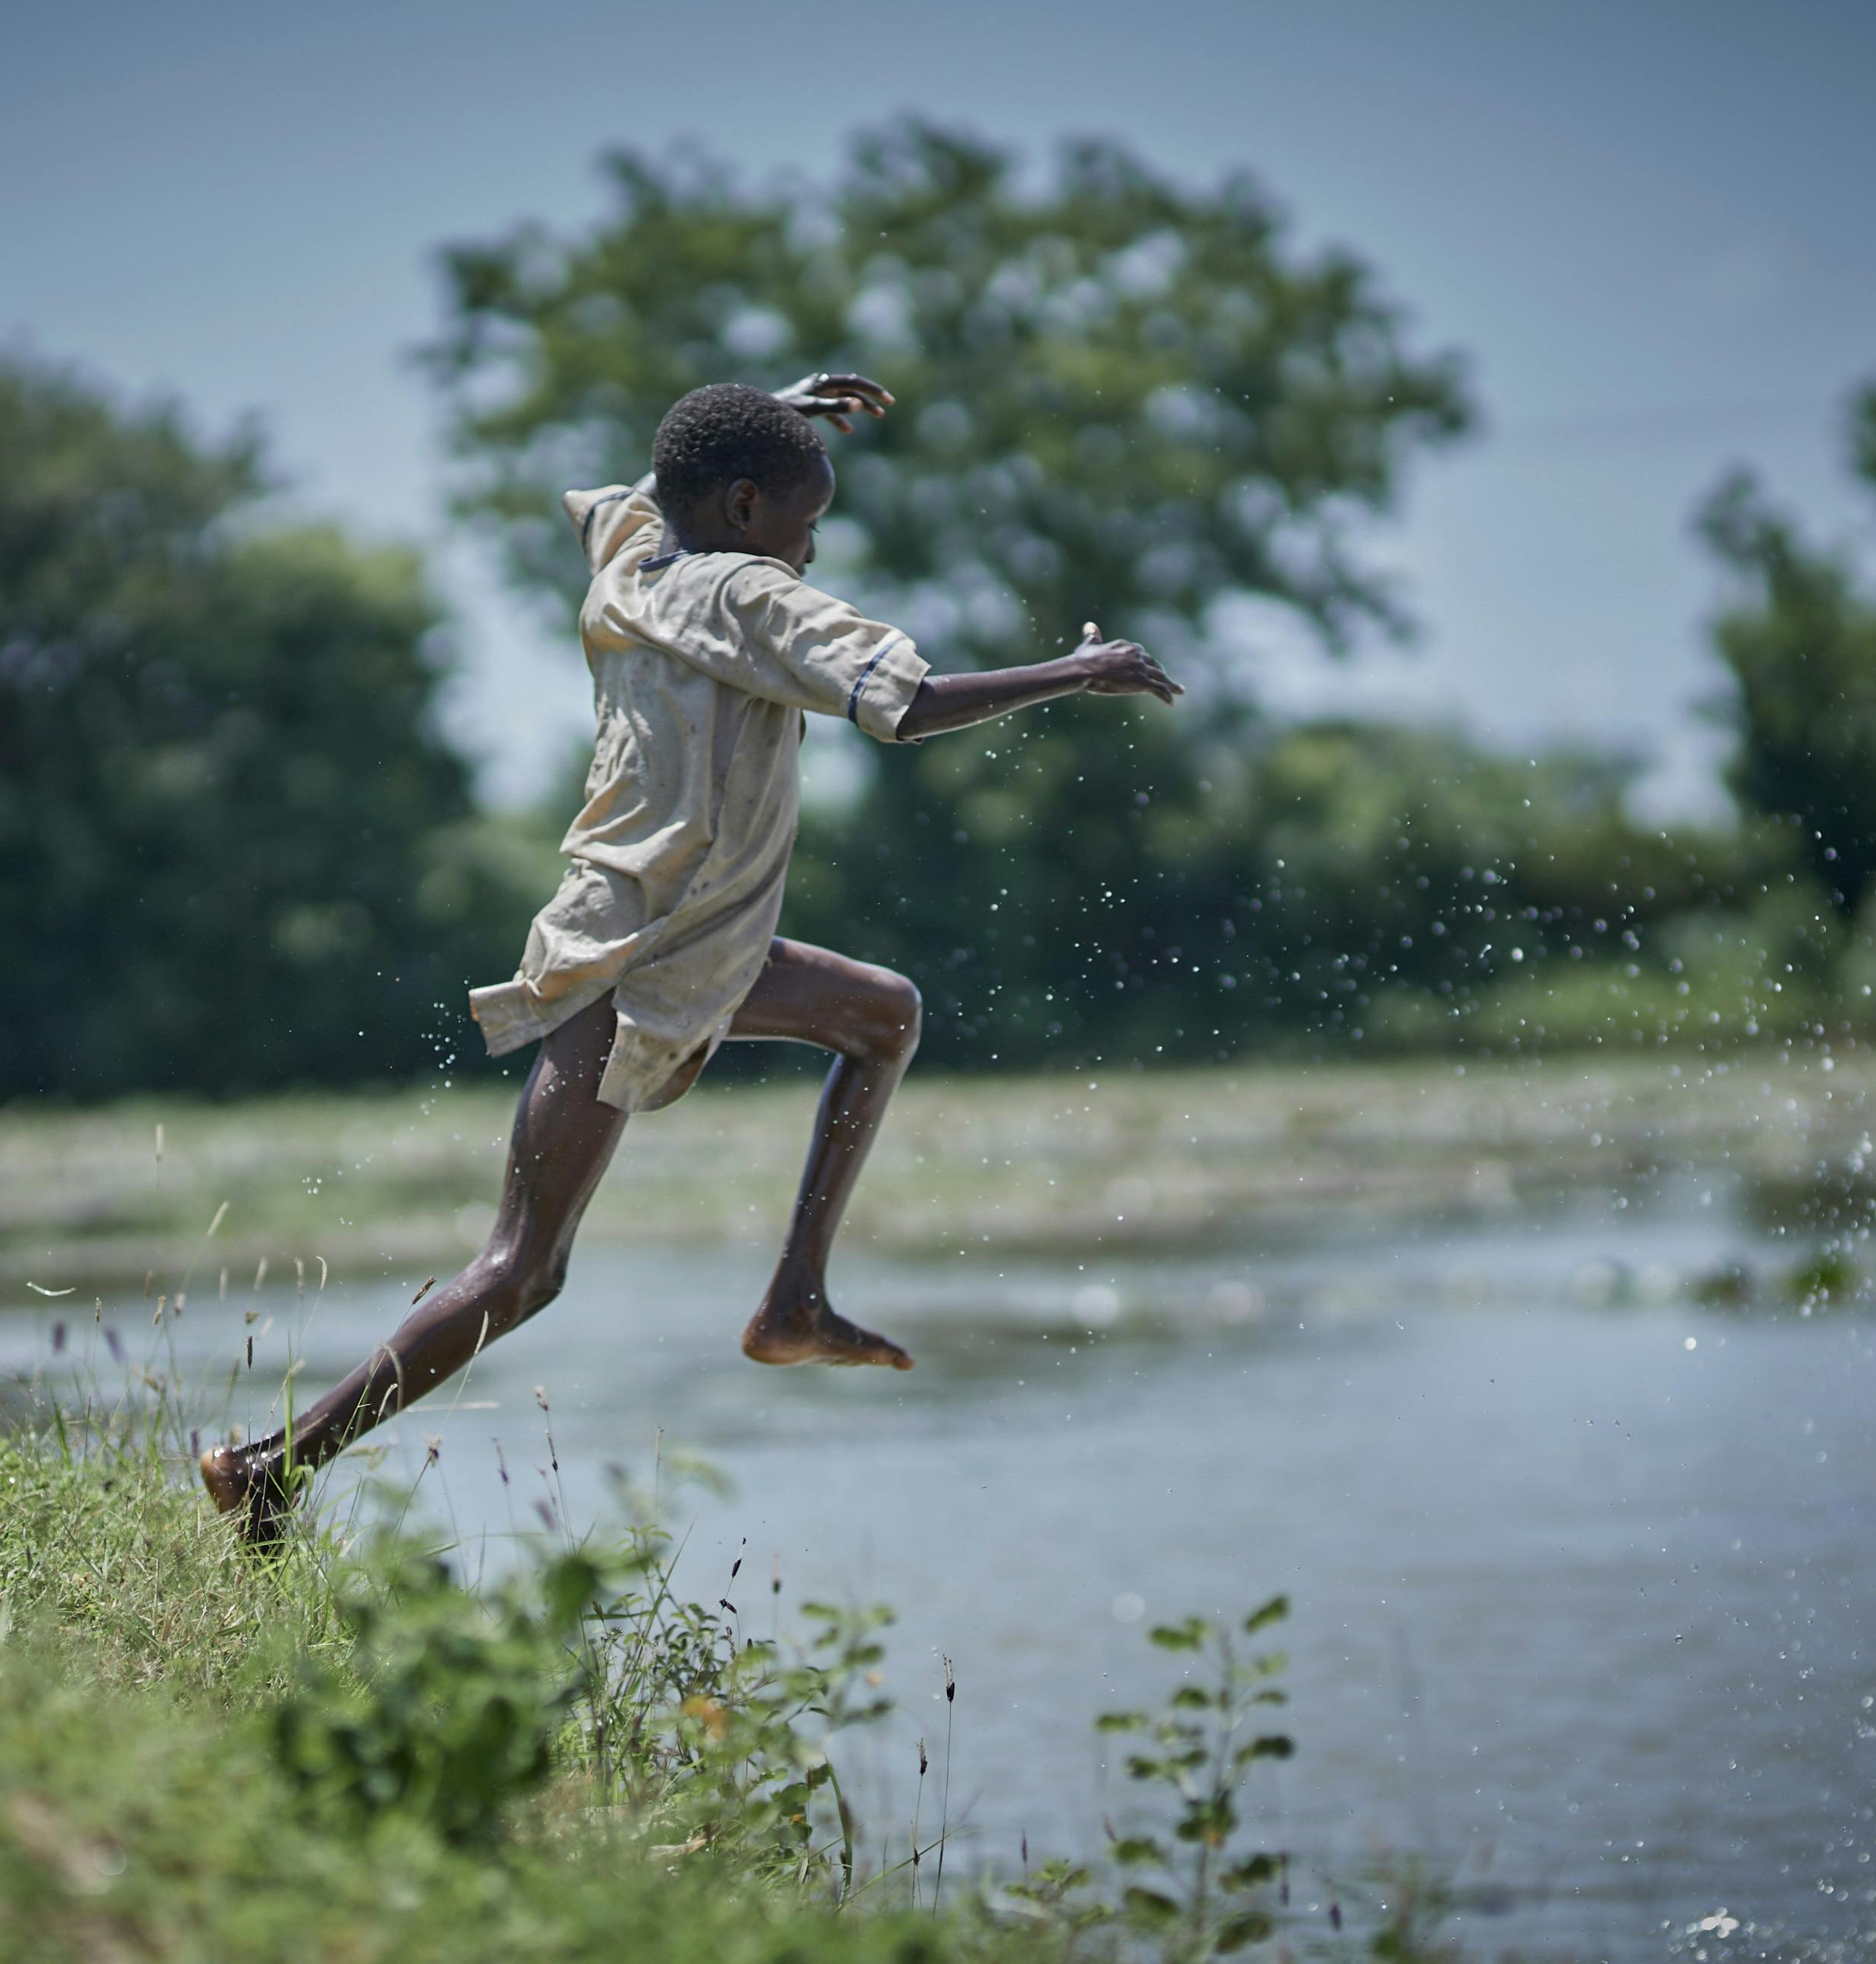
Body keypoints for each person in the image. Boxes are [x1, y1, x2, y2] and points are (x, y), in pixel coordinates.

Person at [200, 372, 1179, 1543]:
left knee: (884, 1014)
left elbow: (646, 486)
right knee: (522, 1268)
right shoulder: (749, 596)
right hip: (639, 956)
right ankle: (272, 1467)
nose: (811, 553)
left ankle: (796, 1298)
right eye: (807, 525)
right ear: (750, 510)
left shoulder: (636, 548)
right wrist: (1077, 673)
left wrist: (772, 404)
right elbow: (904, 704)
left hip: (692, 940)